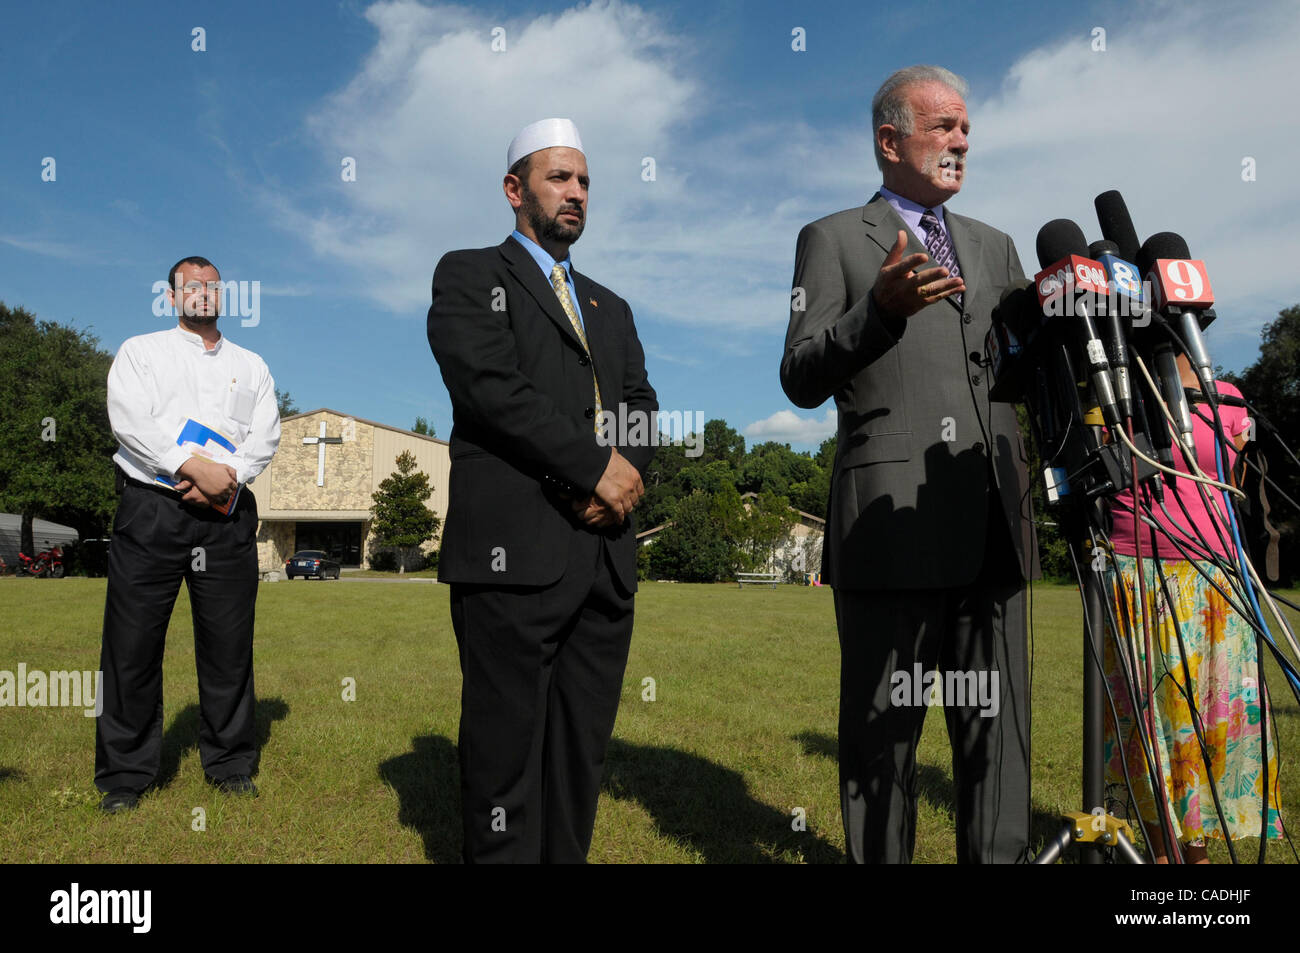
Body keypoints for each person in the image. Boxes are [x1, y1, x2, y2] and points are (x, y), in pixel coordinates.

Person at [780, 65, 1038, 863]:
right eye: (944, 126)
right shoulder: (831, 239)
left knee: (1001, 744)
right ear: (890, 140)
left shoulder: (996, 246)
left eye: (966, 126)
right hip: (889, 533)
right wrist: (878, 314)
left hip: (995, 524)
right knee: (882, 743)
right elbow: (800, 371)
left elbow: (1026, 370)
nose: (962, 140)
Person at [426, 118, 658, 863]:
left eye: (585, 180)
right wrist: (593, 467)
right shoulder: (469, 275)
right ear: (513, 189)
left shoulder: (609, 306)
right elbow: (492, 389)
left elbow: (641, 404)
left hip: (604, 555)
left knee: (580, 754)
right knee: (504, 754)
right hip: (512, 554)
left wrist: (627, 473)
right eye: (560, 177)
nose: (577, 193)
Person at [96, 256, 280, 813]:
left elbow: (264, 434)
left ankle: (229, 764)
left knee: (227, 647)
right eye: (191, 286)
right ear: (172, 296)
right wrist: (187, 467)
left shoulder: (252, 366)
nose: (203, 293)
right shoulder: (140, 352)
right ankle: (125, 777)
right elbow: (130, 422)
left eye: (212, 286)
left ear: (224, 295)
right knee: (131, 648)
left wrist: (226, 482)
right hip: (153, 510)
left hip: (225, 516)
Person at [1103, 354, 1280, 862]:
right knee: (1155, 719)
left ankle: (1195, 846)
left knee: (1210, 714)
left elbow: (1236, 483)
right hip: (1139, 573)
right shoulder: (1112, 392)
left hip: (1215, 574)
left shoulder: (1227, 398)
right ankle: (1164, 851)